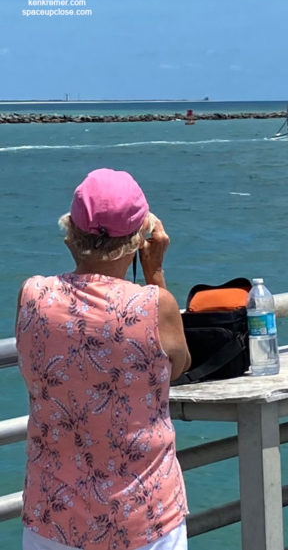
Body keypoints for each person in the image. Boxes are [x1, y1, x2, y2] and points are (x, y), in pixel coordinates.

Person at [16, 168, 191, 550]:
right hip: (143, 517)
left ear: (71, 236)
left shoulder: (33, 295)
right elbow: (176, 367)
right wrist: (155, 272)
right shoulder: (153, 304)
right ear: (141, 239)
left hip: (52, 516)